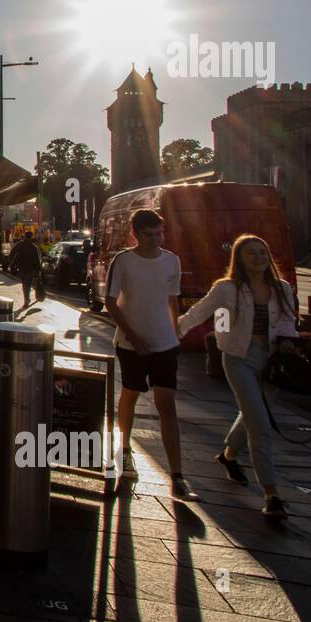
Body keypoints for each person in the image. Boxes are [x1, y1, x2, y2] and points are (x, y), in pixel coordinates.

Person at [177, 234, 299, 520]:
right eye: (251, 254)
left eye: (262, 252)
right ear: (239, 260)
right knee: (260, 424)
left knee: (252, 414)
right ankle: (272, 495)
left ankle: (228, 455)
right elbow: (199, 313)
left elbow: (288, 321)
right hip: (238, 358)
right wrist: (171, 333)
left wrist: (288, 341)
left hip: (272, 361)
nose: (258, 258)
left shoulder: (281, 288)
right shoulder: (227, 288)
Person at [105, 209, 198, 500]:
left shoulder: (172, 261)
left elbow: (172, 299)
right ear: (135, 234)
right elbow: (110, 301)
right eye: (149, 234)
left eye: (160, 233)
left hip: (164, 343)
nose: (156, 239)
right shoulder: (123, 261)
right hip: (131, 344)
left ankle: (178, 475)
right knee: (130, 394)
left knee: (166, 405)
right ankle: (126, 449)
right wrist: (133, 336)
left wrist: (176, 331)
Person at [6, 231, 41, 308]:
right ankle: (27, 300)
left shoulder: (20, 244)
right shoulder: (33, 247)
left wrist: (12, 263)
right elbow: (36, 259)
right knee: (27, 284)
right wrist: (38, 269)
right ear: (31, 237)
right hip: (29, 268)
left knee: (25, 284)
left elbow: (12, 253)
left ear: (24, 236)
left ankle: (26, 300)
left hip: (21, 267)